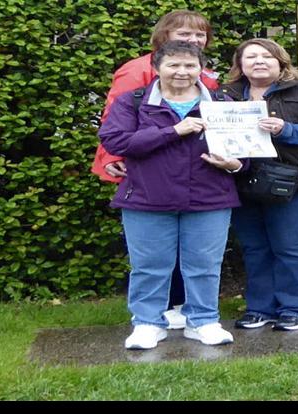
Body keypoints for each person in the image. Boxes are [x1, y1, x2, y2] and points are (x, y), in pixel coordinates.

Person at [98, 41, 247, 350]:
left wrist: (236, 164)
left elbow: (245, 148)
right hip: (147, 198)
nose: (182, 72)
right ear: (157, 68)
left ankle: (203, 321)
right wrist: (174, 131)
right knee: (150, 265)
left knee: (205, 263)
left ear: (201, 69)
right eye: (173, 65)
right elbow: (115, 140)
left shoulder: (222, 101)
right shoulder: (134, 102)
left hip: (210, 197)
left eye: (190, 65)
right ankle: (147, 324)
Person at [91, 9, 219, 331]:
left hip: (200, 180)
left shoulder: (208, 76)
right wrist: (110, 156)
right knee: (154, 252)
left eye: (199, 35)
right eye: (185, 34)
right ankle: (155, 315)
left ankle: (184, 310)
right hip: (149, 171)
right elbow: (115, 121)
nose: (193, 40)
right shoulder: (136, 70)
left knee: (196, 254)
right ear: (163, 38)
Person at [222, 38, 298, 331]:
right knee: (254, 247)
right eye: (251, 57)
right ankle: (259, 308)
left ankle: (294, 308)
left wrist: (286, 129)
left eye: (267, 56)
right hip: (241, 178)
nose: (259, 61)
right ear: (240, 65)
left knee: (289, 245)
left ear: (281, 62)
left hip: (292, 182)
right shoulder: (224, 96)